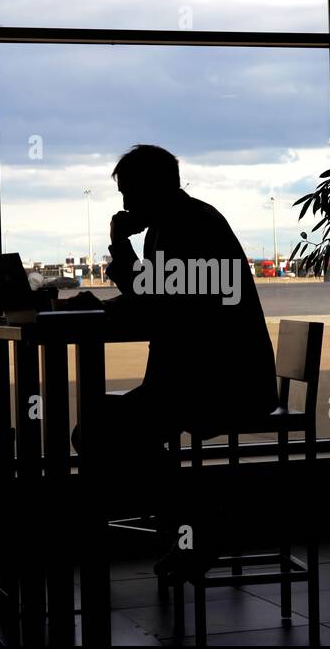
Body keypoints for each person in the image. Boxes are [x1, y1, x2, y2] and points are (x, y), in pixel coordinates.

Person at [71, 144, 277, 473]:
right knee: (101, 427)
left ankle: (165, 503)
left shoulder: (185, 227)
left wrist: (120, 247)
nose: (125, 204)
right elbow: (157, 298)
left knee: (95, 431)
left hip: (217, 385)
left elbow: (154, 304)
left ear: (152, 187)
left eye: (129, 192)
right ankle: (168, 506)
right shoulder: (179, 222)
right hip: (215, 378)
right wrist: (104, 305)